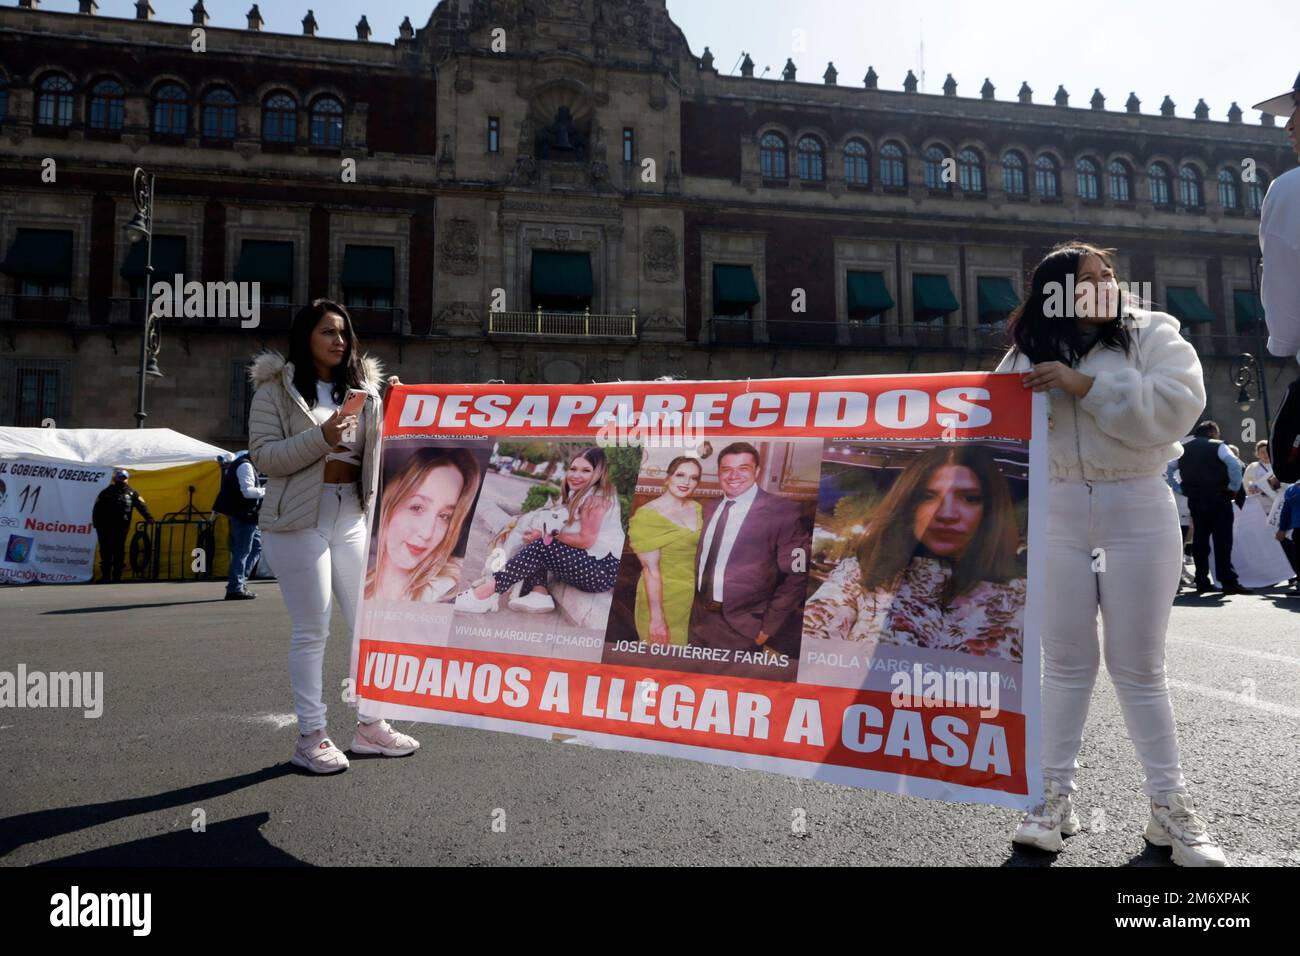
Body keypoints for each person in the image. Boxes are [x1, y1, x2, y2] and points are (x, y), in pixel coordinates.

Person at [997, 242, 1226, 866]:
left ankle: (1170, 810)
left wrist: (1085, 386)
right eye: (1090, 277)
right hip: (1055, 509)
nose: (1107, 283)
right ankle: (1051, 800)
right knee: (1065, 662)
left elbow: (1177, 410)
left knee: (1139, 665)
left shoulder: (1155, 333)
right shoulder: (1024, 353)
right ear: (1056, 291)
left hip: (1137, 503)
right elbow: (991, 429)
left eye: (1110, 274)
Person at [249, 299, 420, 775]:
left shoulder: (366, 393)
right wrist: (323, 436)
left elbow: (384, 455)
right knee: (313, 629)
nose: (339, 341)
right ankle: (310, 736)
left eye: (343, 333)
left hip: (352, 515)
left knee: (368, 624)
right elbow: (264, 457)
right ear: (306, 337)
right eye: (328, 332)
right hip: (298, 520)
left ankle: (370, 726)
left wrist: (399, 408)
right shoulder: (275, 392)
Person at [803, 445, 1026, 660]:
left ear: (992, 509)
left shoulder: (1021, 599)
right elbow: (811, 644)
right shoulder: (862, 573)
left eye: (970, 498)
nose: (946, 514)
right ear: (907, 503)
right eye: (927, 496)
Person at [455, 447, 625, 614]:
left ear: (598, 473)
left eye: (586, 470)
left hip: (601, 572)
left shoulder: (596, 499)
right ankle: (539, 593)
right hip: (588, 563)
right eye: (573, 469)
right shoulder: (580, 494)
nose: (576, 475)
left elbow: (586, 540)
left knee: (543, 545)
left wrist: (549, 535)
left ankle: (486, 594)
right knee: (540, 541)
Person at [686, 442, 808, 661]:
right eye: (727, 469)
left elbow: (797, 575)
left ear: (757, 472)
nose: (734, 475)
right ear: (719, 473)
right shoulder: (707, 507)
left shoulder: (783, 512)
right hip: (697, 619)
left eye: (743, 468)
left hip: (743, 628)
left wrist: (769, 626)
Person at [1254, 71, 1300, 481]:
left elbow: (1283, 296)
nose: (1288, 126)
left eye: (1297, 110)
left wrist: (1281, 344)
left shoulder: (1290, 190)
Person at [365, 447, 483, 603]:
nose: (427, 533)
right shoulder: (363, 579)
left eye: (444, 516)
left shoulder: (447, 590)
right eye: (417, 507)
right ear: (390, 501)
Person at [629, 456, 703, 646]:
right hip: (659, 599)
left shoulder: (697, 508)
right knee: (657, 659)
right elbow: (650, 571)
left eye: (693, 478)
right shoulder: (647, 515)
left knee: (683, 661)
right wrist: (657, 618)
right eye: (680, 475)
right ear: (668, 477)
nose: (686, 482)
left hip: (690, 597)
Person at [1177, 421, 1251, 595]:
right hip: (1219, 498)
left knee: (1200, 540)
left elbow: (1172, 468)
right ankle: (1227, 580)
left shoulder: (1183, 449)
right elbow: (1234, 465)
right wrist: (1233, 488)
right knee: (1222, 541)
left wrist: (1180, 488)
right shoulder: (1218, 446)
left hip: (1195, 500)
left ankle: (1201, 580)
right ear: (1212, 432)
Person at [212, 451, 264, 600]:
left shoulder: (244, 464)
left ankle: (239, 583)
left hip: (246, 514)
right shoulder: (245, 466)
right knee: (243, 550)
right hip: (243, 513)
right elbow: (247, 492)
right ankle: (235, 587)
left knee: (255, 548)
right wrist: (267, 491)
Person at [91, 469, 154, 583]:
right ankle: (106, 577)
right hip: (105, 527)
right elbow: (97, 509)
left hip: (121, 527)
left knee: (118, 551)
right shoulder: (106, 492)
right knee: (105, 551)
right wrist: (96, 525)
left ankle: (117, 577)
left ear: (127, 479)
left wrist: (149, 517)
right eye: (120, 477)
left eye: (124, 478)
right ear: (115, 478)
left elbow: (141, 506)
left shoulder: (132, 493)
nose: (122, 480)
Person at [1276, 483, 1300, 594]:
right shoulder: (1291, 490)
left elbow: (1286, 512)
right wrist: (1282, 529)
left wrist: (1282, 529)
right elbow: (1286, 512)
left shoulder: (1291, 490)